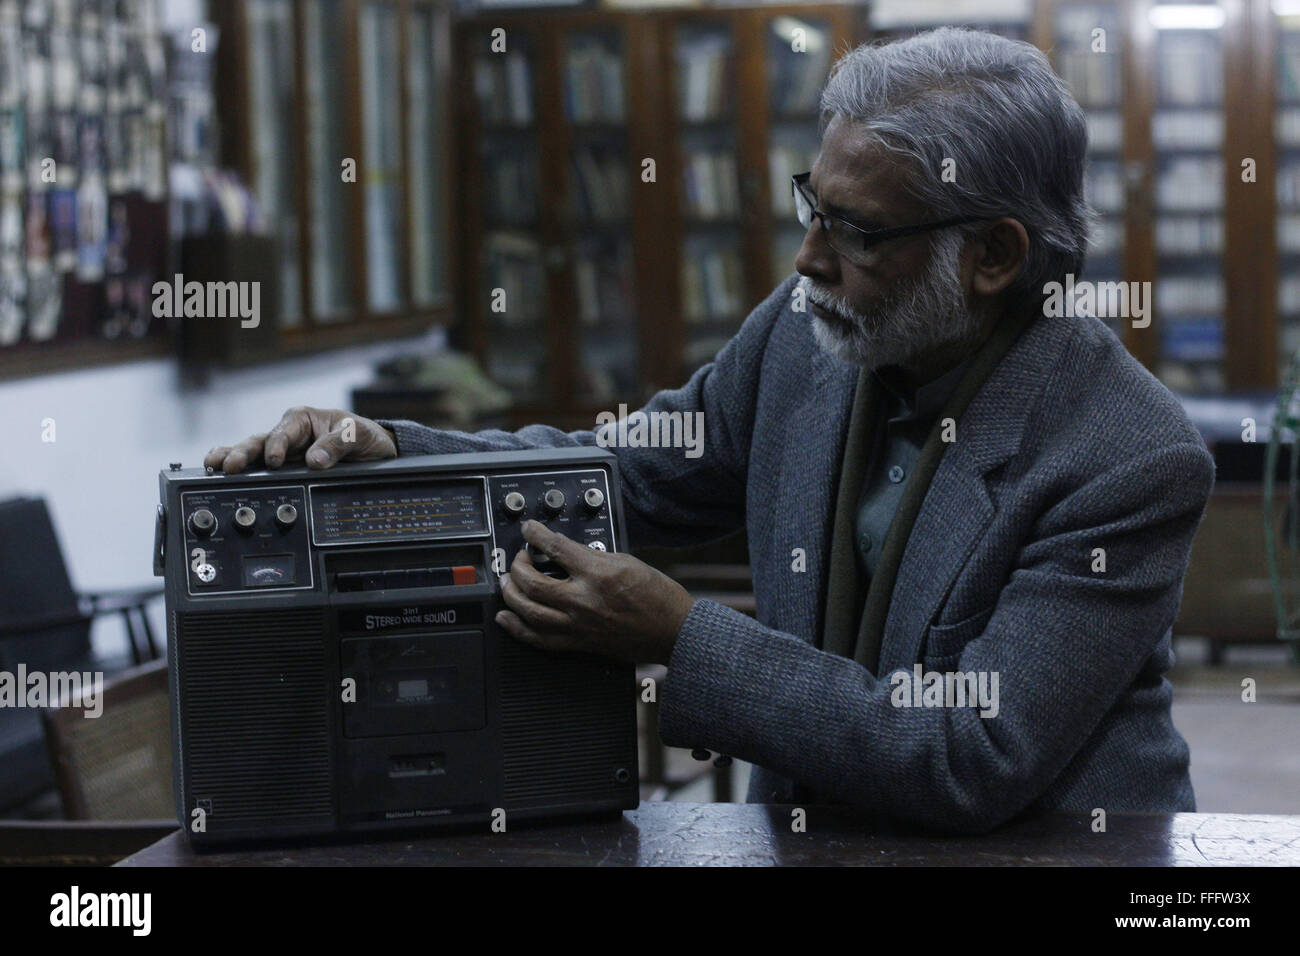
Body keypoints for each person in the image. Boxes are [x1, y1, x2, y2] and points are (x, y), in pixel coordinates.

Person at [206, 28, 1214, 834]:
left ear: (993, 256)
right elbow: (624, 475)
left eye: (856, 231)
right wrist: (398, 449)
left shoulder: (1125, 454)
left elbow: (966, 751)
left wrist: (680, 637)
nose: (808, 258)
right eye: (810, 206)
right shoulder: (801, 334)